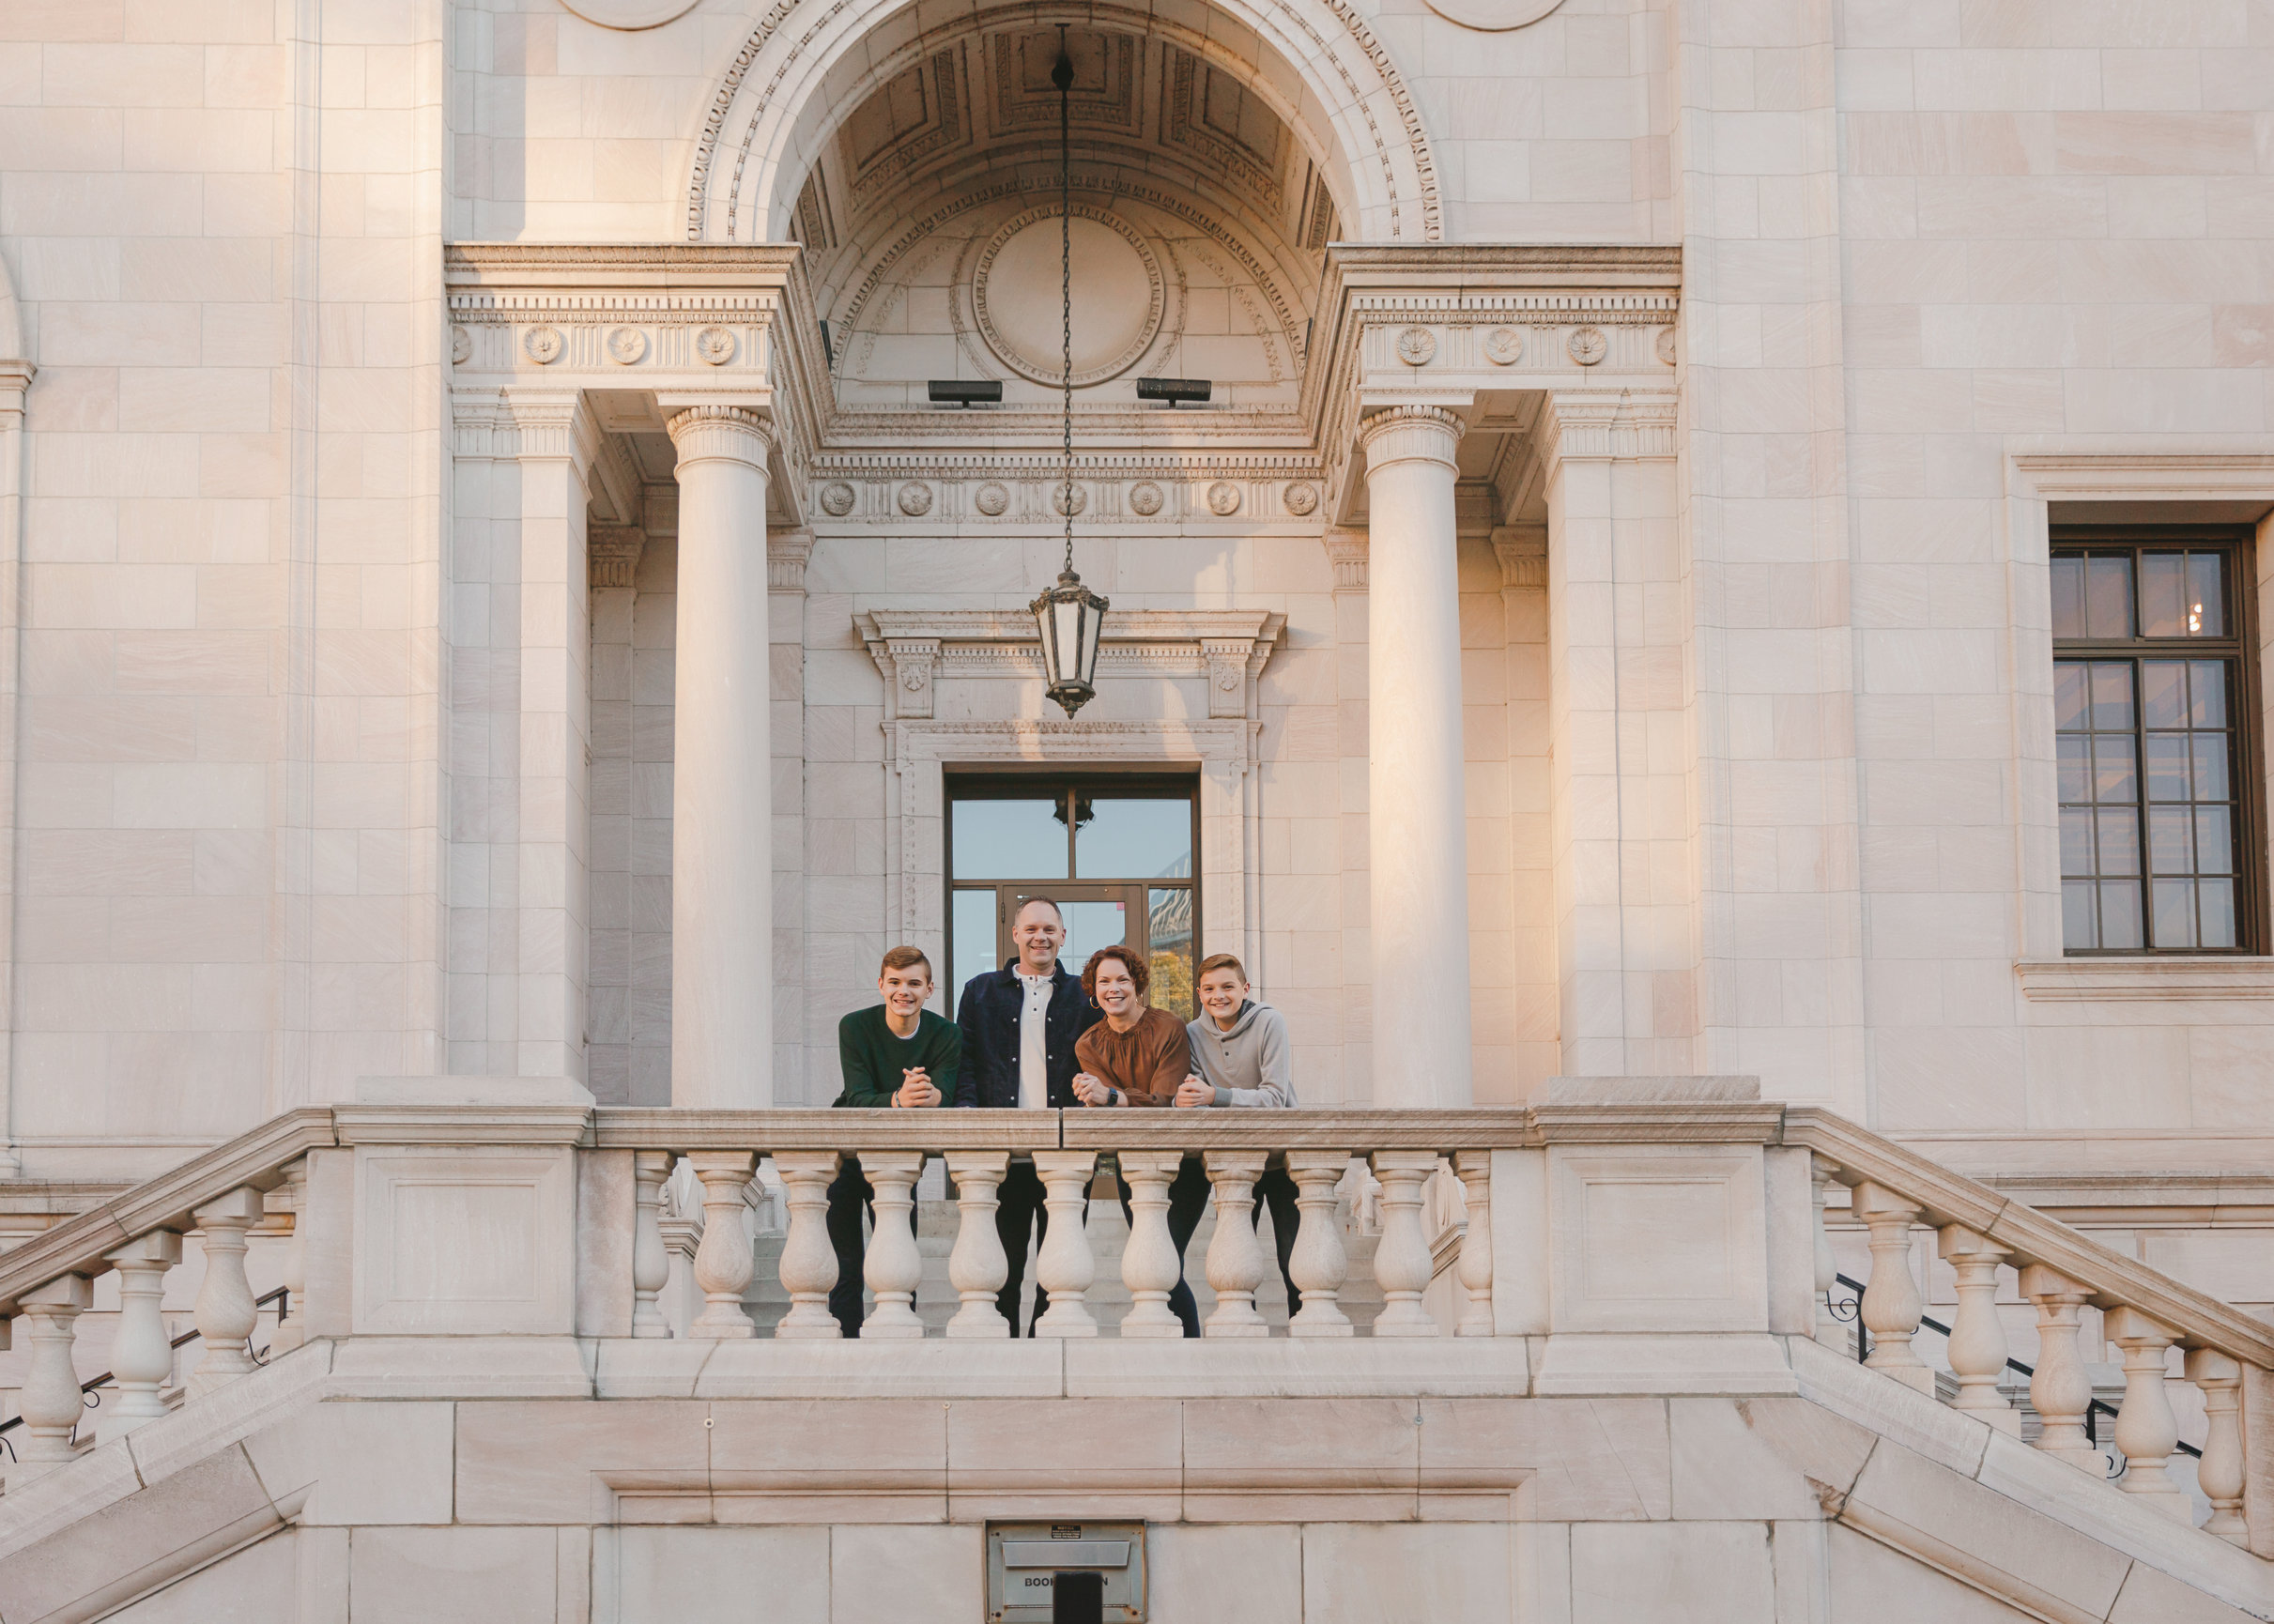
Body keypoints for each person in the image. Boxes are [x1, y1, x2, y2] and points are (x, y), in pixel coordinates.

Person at [954, 896, 1099, 1334]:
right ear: (1015, 934)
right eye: (1031, 929)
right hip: (1004, 1152)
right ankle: (1005, 1349)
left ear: (1063, 936)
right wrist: (967, 1114)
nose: (1041, 937)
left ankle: (1045, 1345)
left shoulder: (1086, 995)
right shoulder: (980, 991)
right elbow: (965, 1061)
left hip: (1066, 1153)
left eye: (1049, 929)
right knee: (1004, 1264)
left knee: (1060, 1268)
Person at [1069, 943, 1207, 1336]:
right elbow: (1110, 1110)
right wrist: (1098, 1097)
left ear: (1137, 985)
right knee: (1156, 1263)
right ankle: (1175, 1347)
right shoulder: (1088, 1044)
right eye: (1104, 982)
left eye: (1122, 980)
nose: (1113, 989)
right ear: (1093, 989)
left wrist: (1112, 1097)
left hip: (1184, 1164)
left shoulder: (1169, 1027)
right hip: (1132, 1167)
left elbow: (1166, 1100)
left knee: (1167, 1263)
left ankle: (1189, 1346)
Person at [825, 945, 960, 1338]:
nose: (904, 991)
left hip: (898, 1160)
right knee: (845, 1263)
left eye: (914, 983)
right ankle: (847, 1344)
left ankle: (901, 1338)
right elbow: (857, 1096)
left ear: (929, 989)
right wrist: (901, 1098)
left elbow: (946, 1096)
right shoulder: (854, 1026)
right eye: (895, 982)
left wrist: (928, 1094)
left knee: (901, 1260)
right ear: (881, 985)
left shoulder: (946, 1034)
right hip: (845, 1154)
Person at [1176, 953, 1304, 1317]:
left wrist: (1216, 1096)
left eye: (1227, 987)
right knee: (1235, 1261)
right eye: (1209, 989)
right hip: (1233, 1161)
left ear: (1245, 989)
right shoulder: (1192, 1034)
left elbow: (1275, 1098)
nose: (1218, 996)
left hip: (1283, 1159)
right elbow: (1195, 1099)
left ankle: (1306, 1332)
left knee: (1293, 1259)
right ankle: (1242, 1330)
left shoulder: (1270, 1022)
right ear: (1199, 994)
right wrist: (1187, 1098)